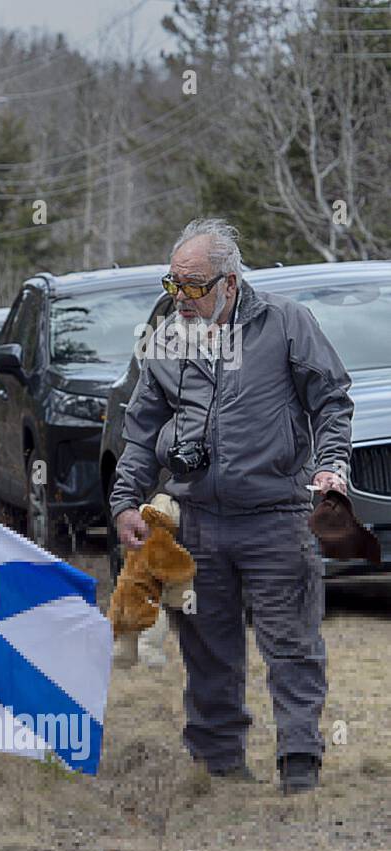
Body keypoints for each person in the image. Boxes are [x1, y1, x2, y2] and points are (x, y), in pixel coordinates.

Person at [109, 218, 353, 794]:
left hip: (276, 517)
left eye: (193, 285)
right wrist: (125, 502)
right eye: (173, 285)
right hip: (196, 521)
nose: (182, 298)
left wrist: (330, 463)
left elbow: (332, 401)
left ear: (231, 282)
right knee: (207, 646)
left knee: (291, 643)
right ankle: (218, 764)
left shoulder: (287, 323)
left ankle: (299, 760)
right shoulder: (169, 335)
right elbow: (141, 429)